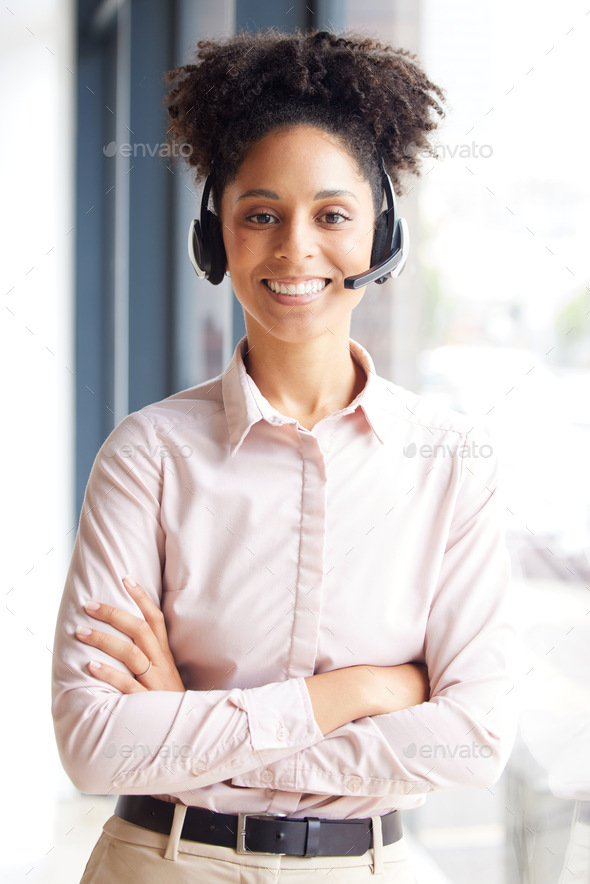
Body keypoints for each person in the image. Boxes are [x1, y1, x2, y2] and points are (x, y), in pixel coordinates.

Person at [52, 29, 517, 883]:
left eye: (332, 215)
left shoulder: (449, 465)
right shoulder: (146, 457)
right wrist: (353, 695)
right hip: (163, 862)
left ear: (381, 232)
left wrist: (190, 729)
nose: (295, 247)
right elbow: (91, 746)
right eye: (260, 214)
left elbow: (473, 739)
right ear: (215, 234)